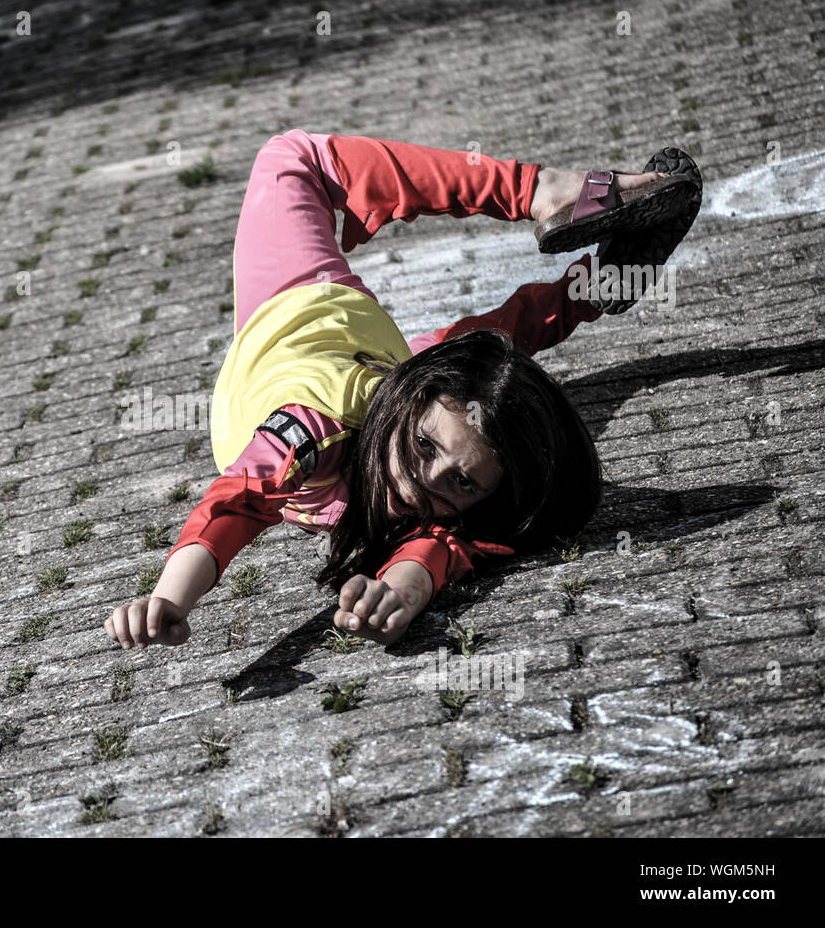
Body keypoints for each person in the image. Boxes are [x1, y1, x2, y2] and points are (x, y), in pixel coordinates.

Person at [105, 129, 702, 651]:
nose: (424, 484)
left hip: (380, 366)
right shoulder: (314, 428)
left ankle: (592, 287)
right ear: (408, 404)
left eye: (462, 482)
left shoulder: (434, 475)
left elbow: (437, 547)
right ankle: (544, 193)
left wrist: (397, 597)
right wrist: (169, 599)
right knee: (292, 156)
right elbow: (238, 499)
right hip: (297, 303)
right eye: (424, 449)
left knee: (481, 369)